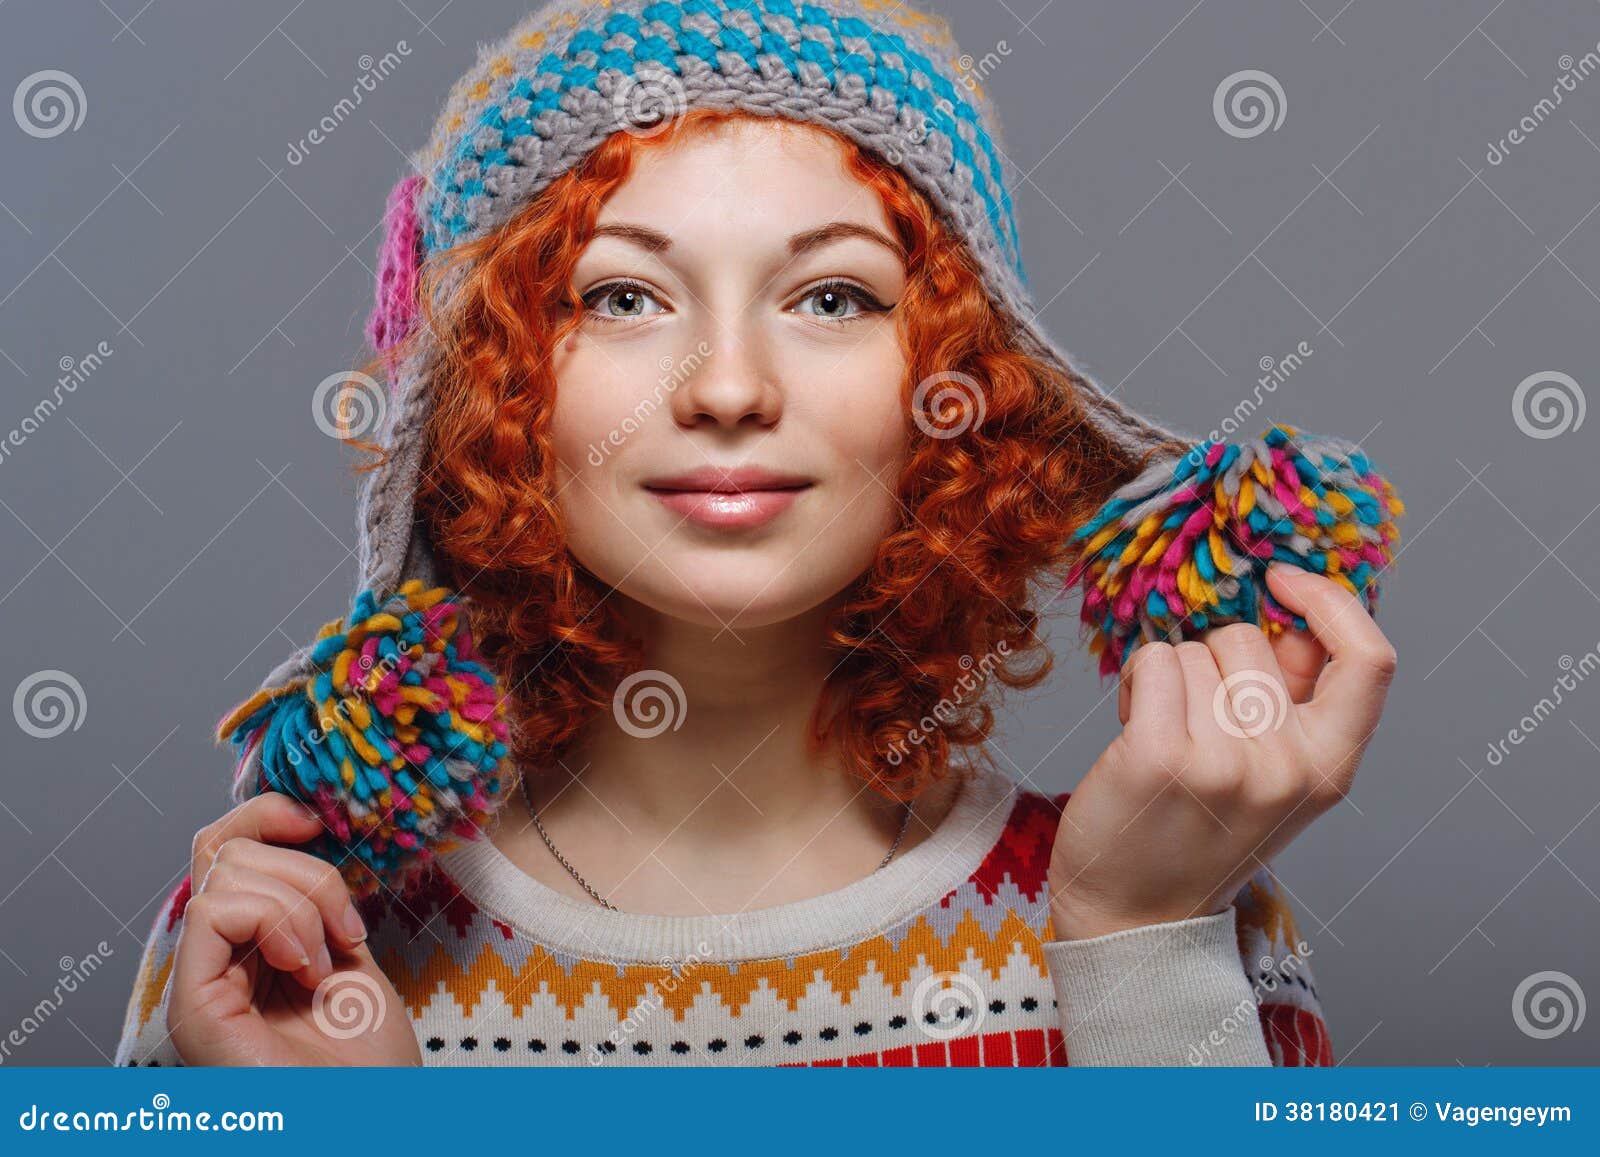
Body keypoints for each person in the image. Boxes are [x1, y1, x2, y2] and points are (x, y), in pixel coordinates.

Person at [113, 0, 1397, 1068]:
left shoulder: (1167, 900)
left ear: (955, 376)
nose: (727, 386)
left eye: (831, 296)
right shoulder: (277, 952)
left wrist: (1137, 940)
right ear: (491, 384)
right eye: (623, 295)